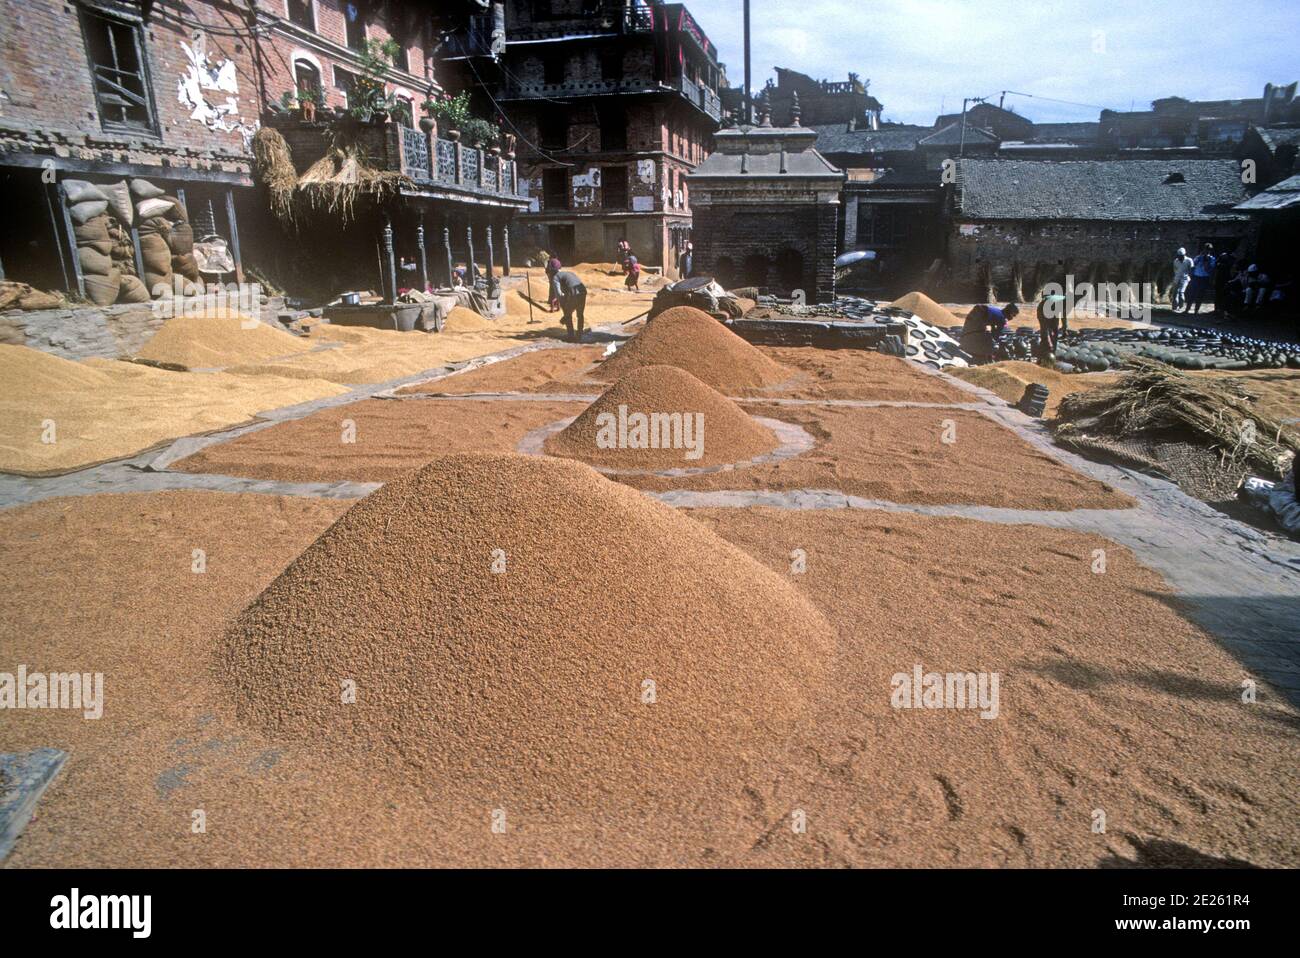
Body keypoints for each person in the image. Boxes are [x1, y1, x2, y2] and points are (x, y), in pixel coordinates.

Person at [553, 269, 587, 341]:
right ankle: (579, 335)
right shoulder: (567, 273)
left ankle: (570, 335)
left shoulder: (555, 277)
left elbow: (559, 295)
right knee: (580, 314)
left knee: (567, 310)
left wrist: (564, 308)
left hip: (574, 292)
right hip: (582, 290)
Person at [1185, 243, 1216, 315]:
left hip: (1204, 278)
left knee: (1200, 294)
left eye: (1208, 250)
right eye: (1206, 250)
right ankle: (1187, 309)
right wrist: (1199, 258)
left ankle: (1196, 310)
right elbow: (1192, 265)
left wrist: (1206, 262)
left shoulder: (1212, 259)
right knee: (1192, 293)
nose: (1207, 252)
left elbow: (1210, 270)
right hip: (1196, 277)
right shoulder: (1198, 257)